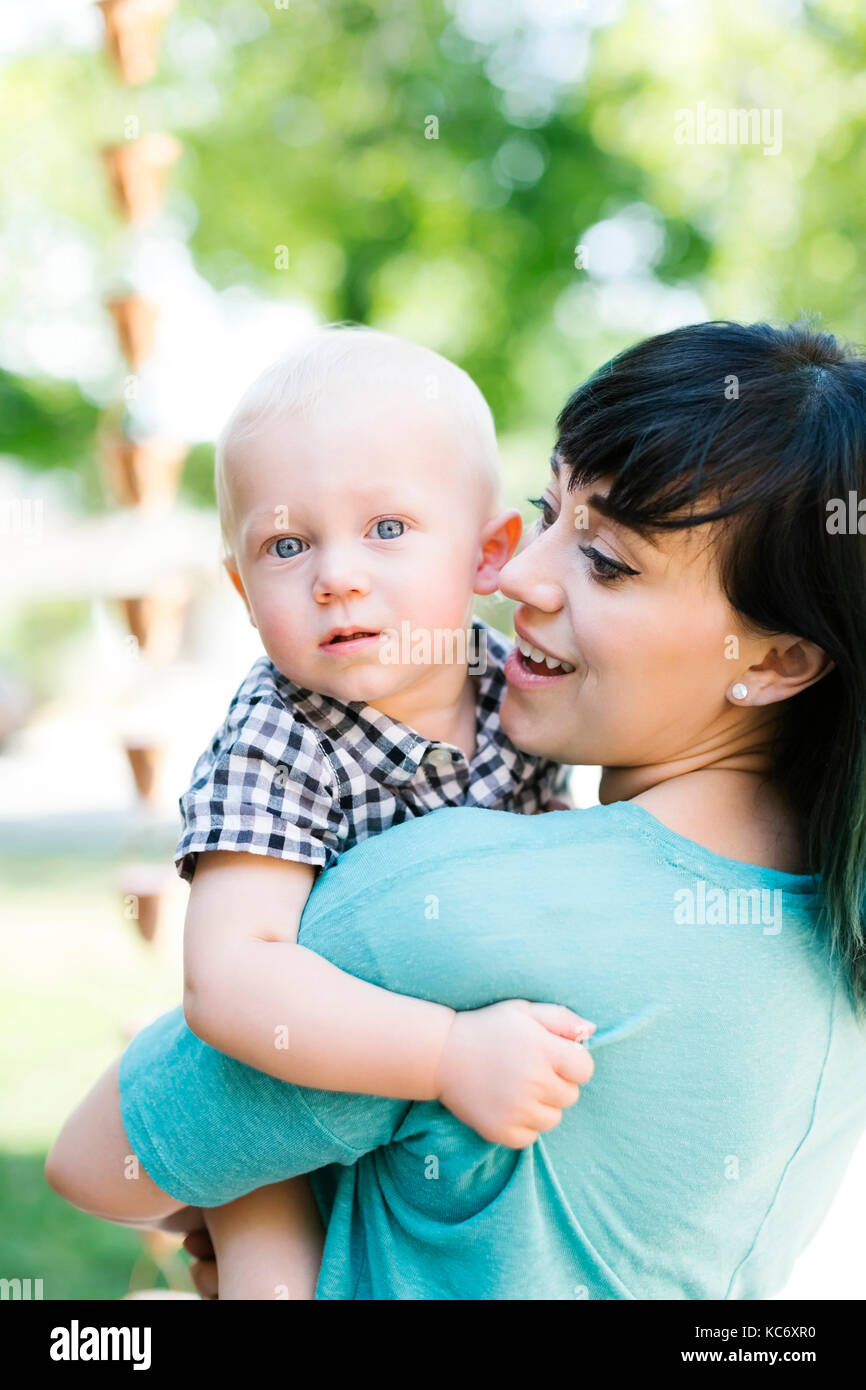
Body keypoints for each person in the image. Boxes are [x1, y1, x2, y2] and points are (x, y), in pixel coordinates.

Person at [47, 320, 866, 1300]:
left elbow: (102, 1161)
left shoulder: (441, 903)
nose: (516, 575)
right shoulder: (830, 915)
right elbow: (231, 985)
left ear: (777, 659)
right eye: (547, 511)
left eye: (604, 559)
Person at [48, 324, 594, 1300]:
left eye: (386, 528)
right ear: (242, 591)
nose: (334, 574)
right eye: (286, 544)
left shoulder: (515, 683)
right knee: (271, 1256)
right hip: (279, 1081)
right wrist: (448, 1052)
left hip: (431, 1113)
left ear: (489, 554)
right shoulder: (280, 731)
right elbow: (230, 979)